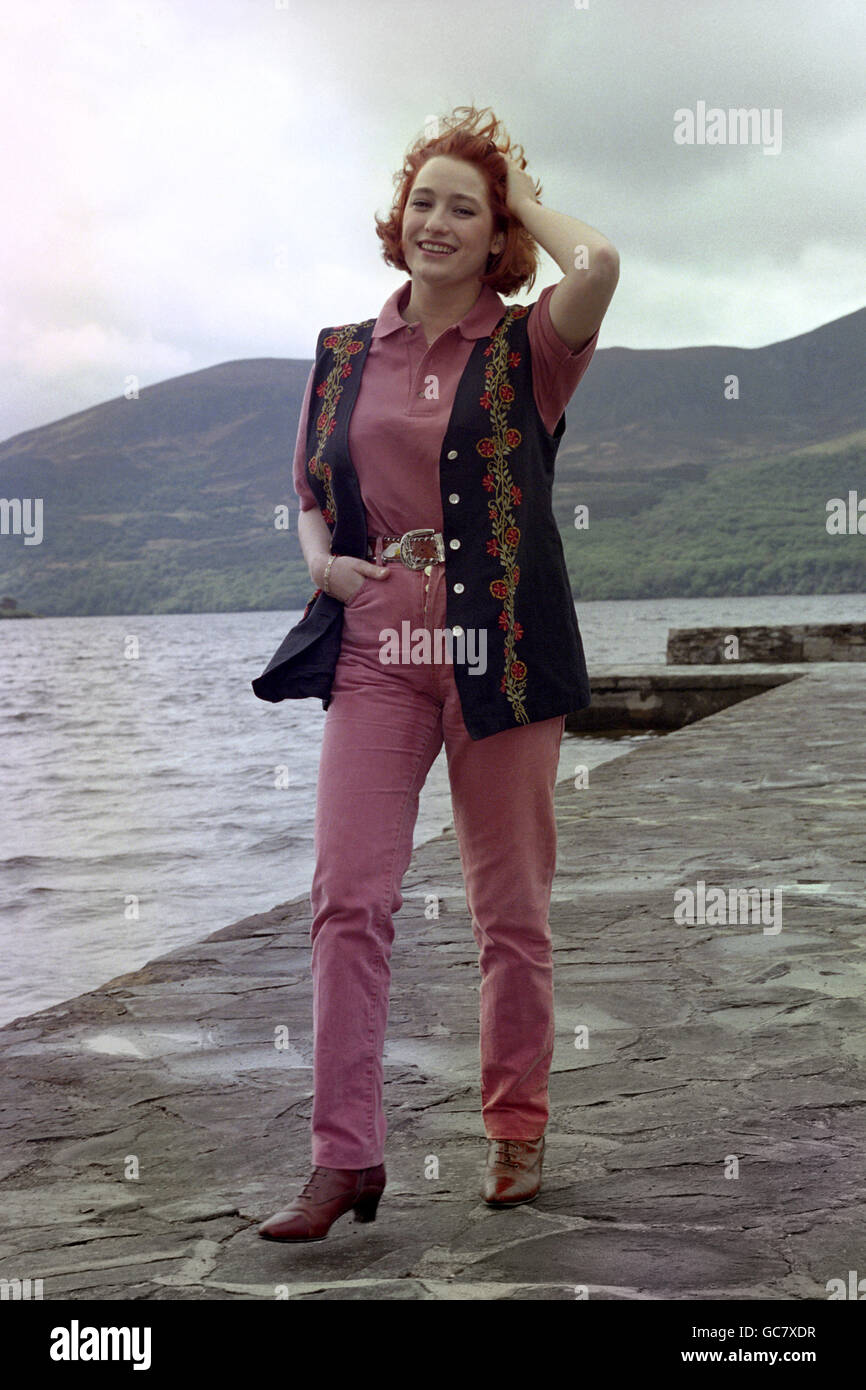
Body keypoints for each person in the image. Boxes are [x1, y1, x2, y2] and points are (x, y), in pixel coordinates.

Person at [253, 105, 619, 1241]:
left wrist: (514, 184)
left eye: (465, 206)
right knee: (347, 897)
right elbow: (312, 495)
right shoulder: (342, 353)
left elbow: (598, 261)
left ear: (497, 225)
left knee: (507, 910)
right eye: (423, 200)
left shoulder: (531, 346)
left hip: (498, 645)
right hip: (376, 646)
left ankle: (514, 1125)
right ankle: (342, 1160)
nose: (437, 221)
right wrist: (326, 567)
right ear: (395, 217)